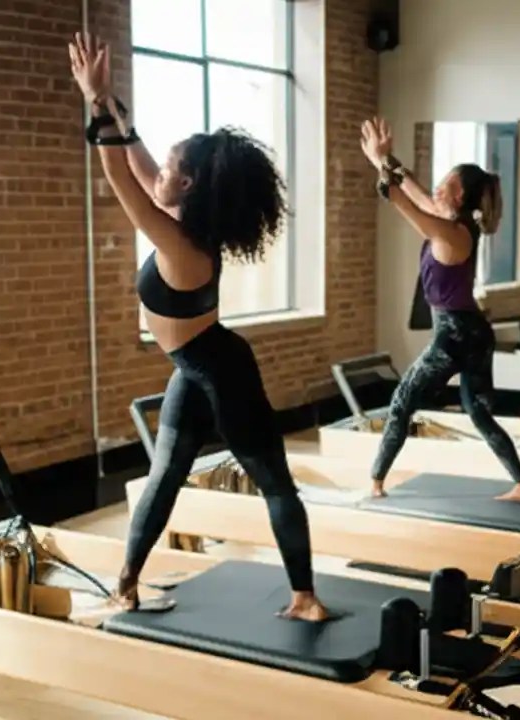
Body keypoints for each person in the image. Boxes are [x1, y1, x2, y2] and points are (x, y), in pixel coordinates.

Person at [68, 32, 327, 621]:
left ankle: (305, 597)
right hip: (194, 366)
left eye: (170, 167)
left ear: (185, 186)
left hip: (224, 372)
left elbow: (122, 179)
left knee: (274, 482)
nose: (159, 168)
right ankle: (126, 586)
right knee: (165, 475)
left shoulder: (182, 245)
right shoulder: (184, 221)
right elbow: (139, 161)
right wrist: (110, 107)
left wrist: (94, 104)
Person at [359, 117, 520, 503]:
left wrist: (381, 168)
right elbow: (417, 192)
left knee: (402, 402)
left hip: (455, 334)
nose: (438, 186)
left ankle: (375, 483)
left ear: (459, 197)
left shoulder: (451, 233)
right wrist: (387, 158)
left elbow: (403, 202)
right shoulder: (454, 223)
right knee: (477, 413)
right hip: (471, 329)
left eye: (447, 184)